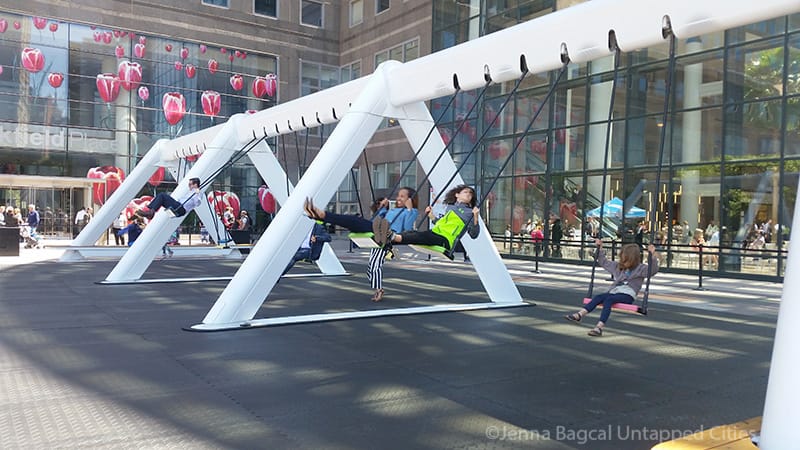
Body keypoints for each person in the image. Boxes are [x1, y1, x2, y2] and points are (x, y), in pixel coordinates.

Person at [304, 187, 419, 302]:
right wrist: (382, 208)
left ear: (410, 199)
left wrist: (409, 209)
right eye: (398, 195)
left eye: (402, 196)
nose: (398, 198)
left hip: (387, 235)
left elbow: (407, 229)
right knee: (371, 266)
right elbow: (378, 218)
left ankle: (322, 215)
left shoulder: (412, 212)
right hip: (377, 231)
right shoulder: (393, 210)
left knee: (355, 223)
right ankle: (318, 215)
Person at [565, 239, 659, 337]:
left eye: (624, 257)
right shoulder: (618, 266)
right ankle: (579, 315)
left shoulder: (641, 269)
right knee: (599, 297)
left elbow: (652, 270)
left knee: (608, 300)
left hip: (627, 295)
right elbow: (603, 262)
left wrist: (652, 255)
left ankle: (599, 327)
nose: (622, 259)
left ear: (631, 258)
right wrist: (600, 248)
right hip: (614, 292)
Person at [376, 185, 479, 256]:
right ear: (457, 195)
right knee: (412, 233)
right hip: (435, 233)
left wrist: (475, 218)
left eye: (471, 193)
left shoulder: (469, 213)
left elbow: (474, 235)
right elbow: (441, 223)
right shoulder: (450, 208)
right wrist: (431, 215)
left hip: (445, 240)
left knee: (421, 236)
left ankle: (391, 236)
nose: (469, 194)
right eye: (466, 192)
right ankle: (388, 241)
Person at [137, 177, 202, 219]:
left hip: (181, 209)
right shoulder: (190, 192)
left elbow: (197, 204)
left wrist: (197, 194)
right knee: (161, 199)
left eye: (190, 184)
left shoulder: (197, 193)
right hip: (178, 205)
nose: (189, 186)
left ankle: (151, 212)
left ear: (195, 185)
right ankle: (150, 211)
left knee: (162, 195)